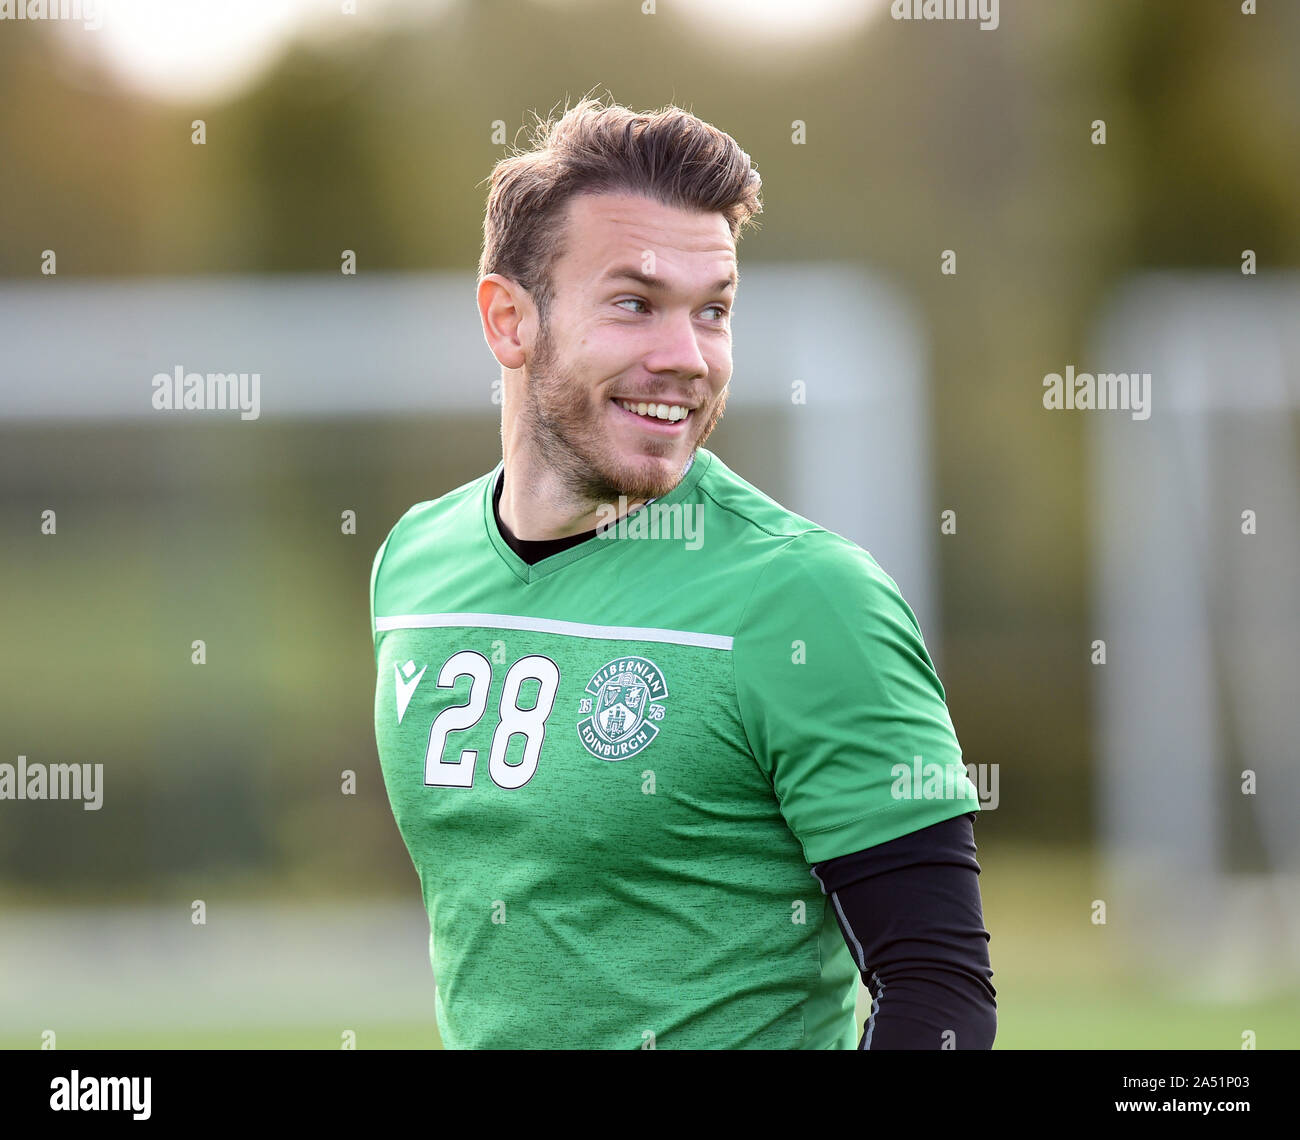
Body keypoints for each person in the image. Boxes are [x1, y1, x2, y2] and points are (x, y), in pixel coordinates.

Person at [370, 95, 995, 1049]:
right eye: (635, 304)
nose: (687, 358)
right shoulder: (415, 563)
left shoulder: (810, 598)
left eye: (714, 312)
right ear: (509, 321)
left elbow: (940, 997)